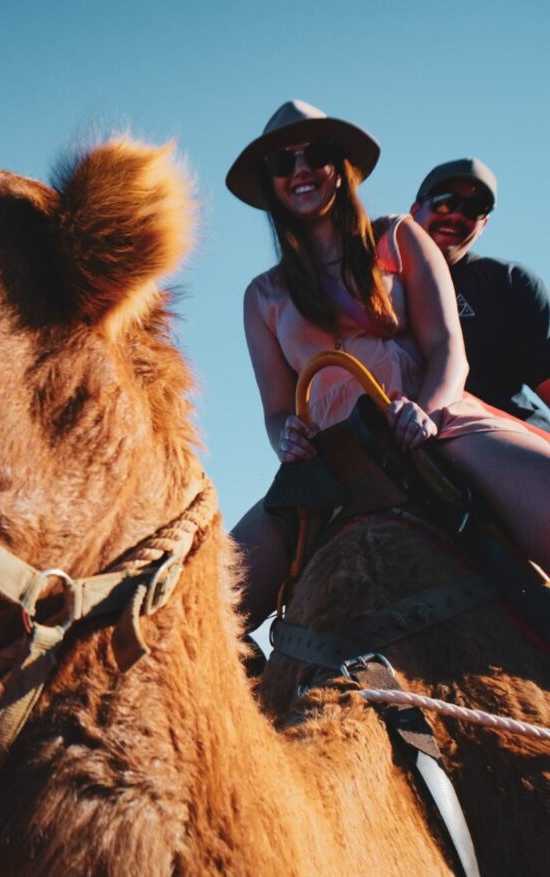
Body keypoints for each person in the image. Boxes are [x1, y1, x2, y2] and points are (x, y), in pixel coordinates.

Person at [224, 100, 550, 630]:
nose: (301, 169)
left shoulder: (398, 235)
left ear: (341, 166)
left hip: (432, 425)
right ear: (271, 183)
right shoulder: (262, 296)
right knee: (202, 608)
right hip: (330, 457)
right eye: (283, 163)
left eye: (317, 153)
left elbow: (449, 350)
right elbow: (277, 409)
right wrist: (287, 438)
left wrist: (426, 412)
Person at [410, 158, 550, 429]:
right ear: (415, 210)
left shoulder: (510, 283)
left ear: (483, 224)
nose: (456, 215)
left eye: (474, 209)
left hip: (512, 439)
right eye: (444, 201)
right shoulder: (375, 285)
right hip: (413, 441)